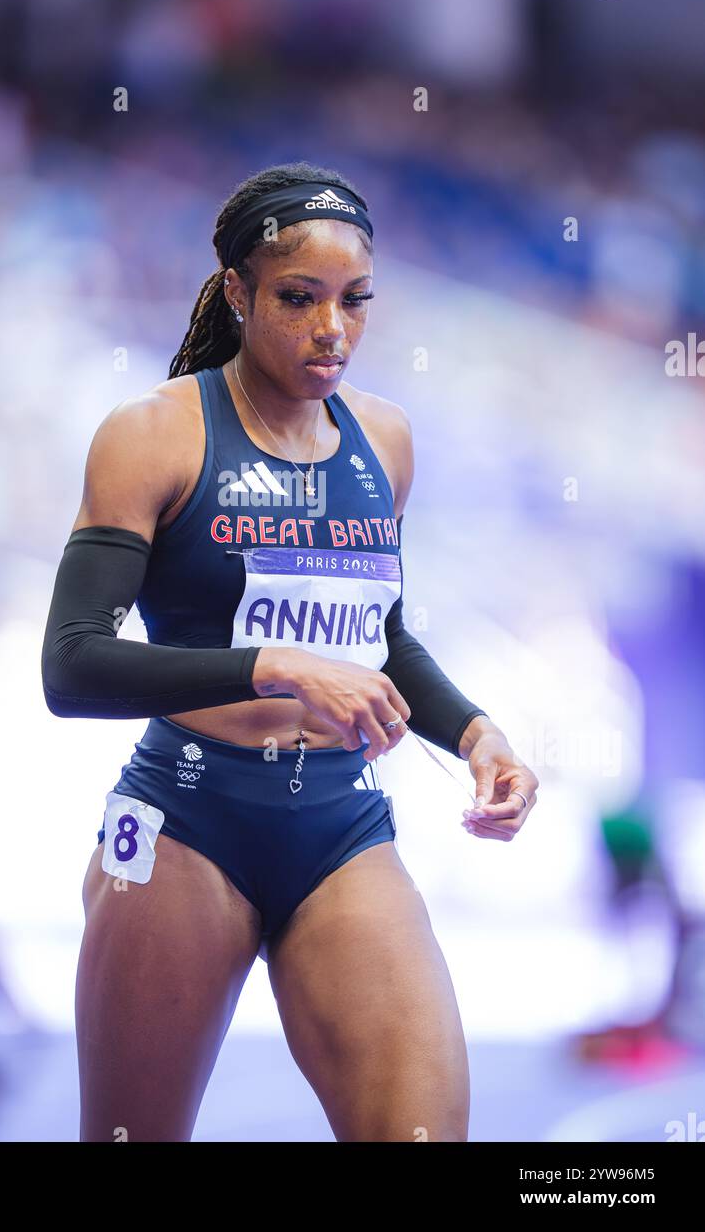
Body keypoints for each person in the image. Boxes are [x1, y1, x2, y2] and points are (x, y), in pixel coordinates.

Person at [41, 161, 539, 1142]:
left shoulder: (383, 439)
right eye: (297, 299)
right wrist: (269, 665)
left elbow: (376, 636)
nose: (331, 331)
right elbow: (72, 665)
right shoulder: (153, 433)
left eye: (354, 301)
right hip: (181, 819)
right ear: (236, 292)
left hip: (339, 827)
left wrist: (476, 733)